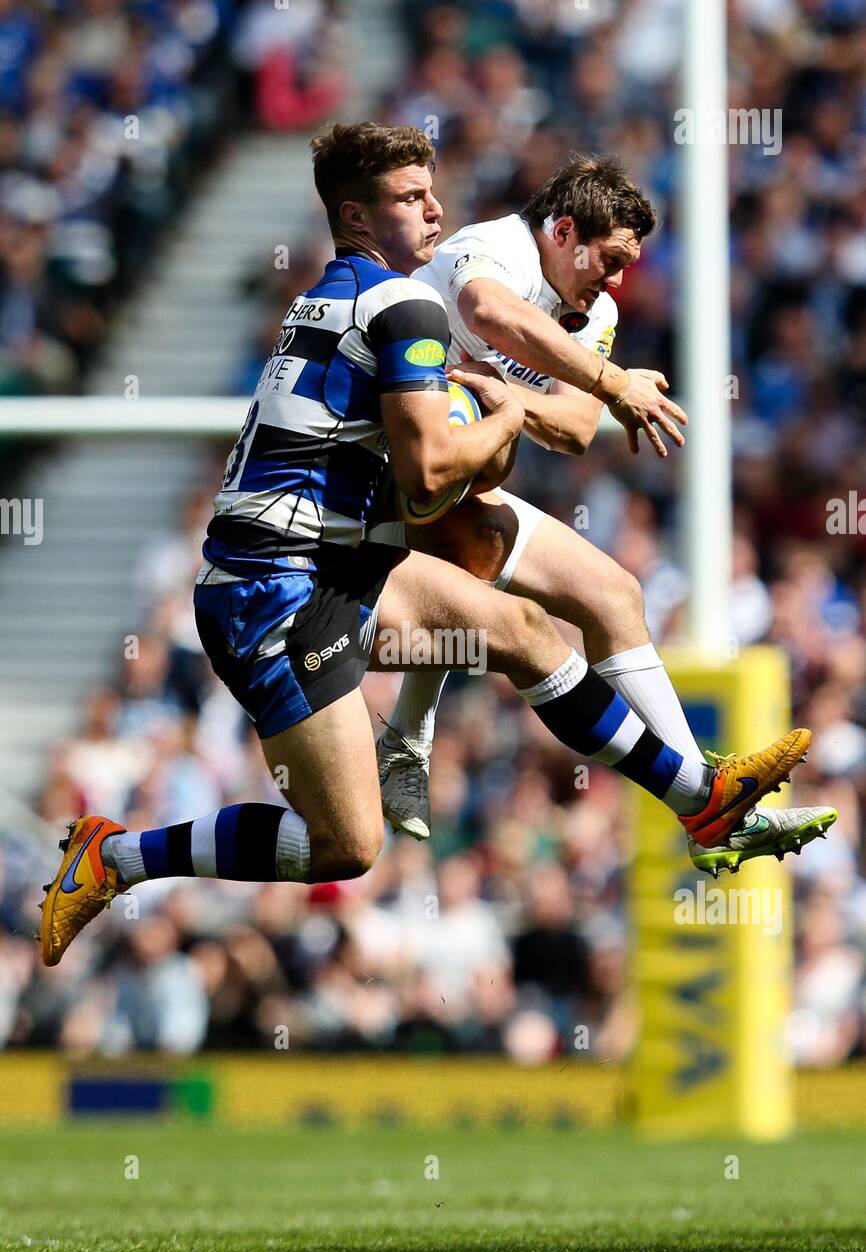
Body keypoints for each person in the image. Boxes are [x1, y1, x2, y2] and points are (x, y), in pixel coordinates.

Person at [40, 123, 813, 967]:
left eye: (430, 188)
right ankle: (115, 857)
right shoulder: (408, 302)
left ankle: (700, 798)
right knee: (346, 848)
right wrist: (511, 415)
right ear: (356, 216)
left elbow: (498, 451)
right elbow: (431, 473)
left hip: (335, 565)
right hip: (276, 590)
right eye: (410, 197)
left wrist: (503, 416)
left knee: (526, 633)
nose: (436, 208)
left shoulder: (340, 294)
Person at [359, 136, 836, 873]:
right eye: (608, 259)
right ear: (562, 234)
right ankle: (410, 739)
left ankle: (709, 806)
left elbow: (575, 430)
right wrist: (608, 383)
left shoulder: (596, 312)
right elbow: (490, 314)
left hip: (455, 484)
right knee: (469, 482)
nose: (616, 280)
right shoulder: (488, 250)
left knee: (614, 594)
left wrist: (501, 392)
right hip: (379, 479)